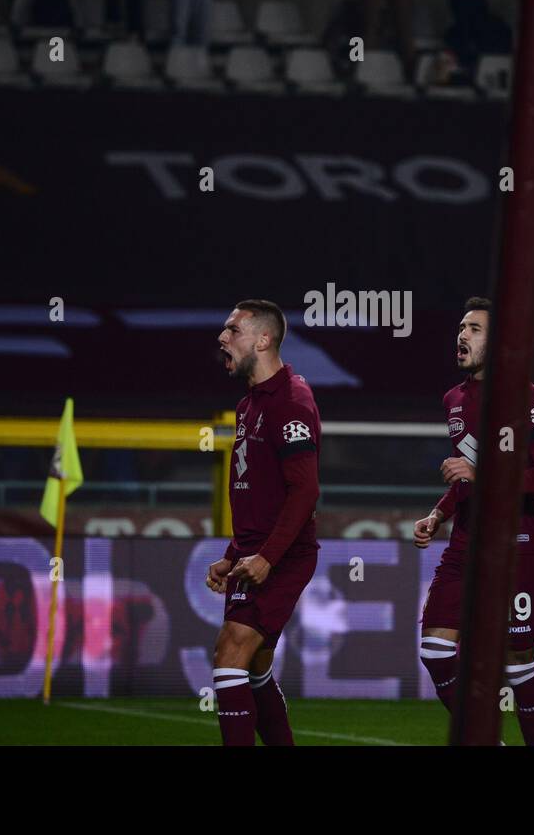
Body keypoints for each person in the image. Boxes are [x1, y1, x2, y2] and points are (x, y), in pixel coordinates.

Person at [413, 298, 534, 746]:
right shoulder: (454, 399)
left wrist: (481, 474)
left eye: (475, 329)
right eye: (461, 327)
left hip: (518, 542)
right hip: (465, 543)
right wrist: (440, 512)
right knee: (436, 652)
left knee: (517, 668)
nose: (462, 335)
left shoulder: (525, 396)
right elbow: (468, 475)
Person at [206, 301, 321, 746]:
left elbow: (305, 491)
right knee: (253, 667)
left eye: (232, 329)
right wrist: (235, 553)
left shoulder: (291, 402)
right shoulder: (248, 404)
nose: (222, 338)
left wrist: (267, 558)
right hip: (252, 554)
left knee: (230, 650)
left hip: (283, 556)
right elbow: (259, 493)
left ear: (263, 340)